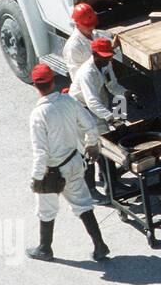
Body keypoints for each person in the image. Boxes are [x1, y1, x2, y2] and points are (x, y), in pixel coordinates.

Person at [26, 63, 110, 263]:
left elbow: (40, 152)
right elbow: (90, 125)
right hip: (74, 162)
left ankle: (45, 248)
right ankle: (100, 245)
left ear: (36, 86)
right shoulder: (69, 101)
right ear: (53, 81)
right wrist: (91, 145)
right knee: (83, 205)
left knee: (46, 210)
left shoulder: (38, 114)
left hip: (52, 170)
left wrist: (36, 178)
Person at [70, 37, 124, 192]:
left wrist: (125, 93)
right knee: (90, 149)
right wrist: (111, 118)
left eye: (109, 56)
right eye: (104, 56)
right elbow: (92, 102)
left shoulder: (106, 64)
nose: (108, 59)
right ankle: (92, 191)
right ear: (94, 54)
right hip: (81, 111)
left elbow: (112, 85)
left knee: (105, 145)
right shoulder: (87, 72)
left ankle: (112, 184)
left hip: (94, 109)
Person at [63, 2, 97, 80]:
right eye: (88, 26)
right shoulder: (73, 47)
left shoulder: (95, 34)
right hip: (88, 88)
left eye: (93, 24)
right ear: (77, 24)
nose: (92, 27)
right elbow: (77, 77)